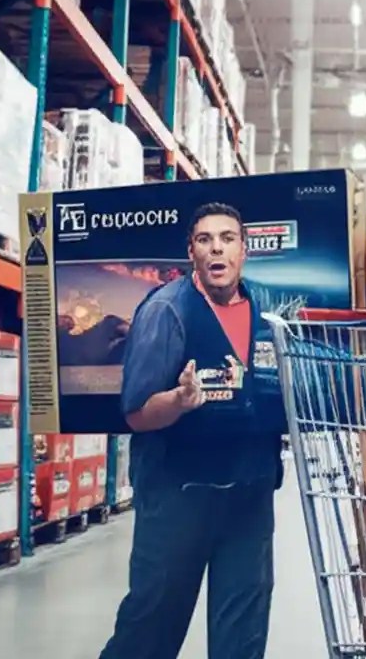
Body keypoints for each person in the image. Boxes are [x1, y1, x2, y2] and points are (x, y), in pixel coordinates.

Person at [101, 202, 284, 659]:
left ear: (244, 250)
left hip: (249, 492)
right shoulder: (167, 310)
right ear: (192, 253)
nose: (216, 248)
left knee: (243, 628)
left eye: (227, 238)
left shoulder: (267, 309)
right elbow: (138, 412)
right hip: (179, 494)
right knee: (152, 624)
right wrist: (179, 402)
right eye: (205, 239)